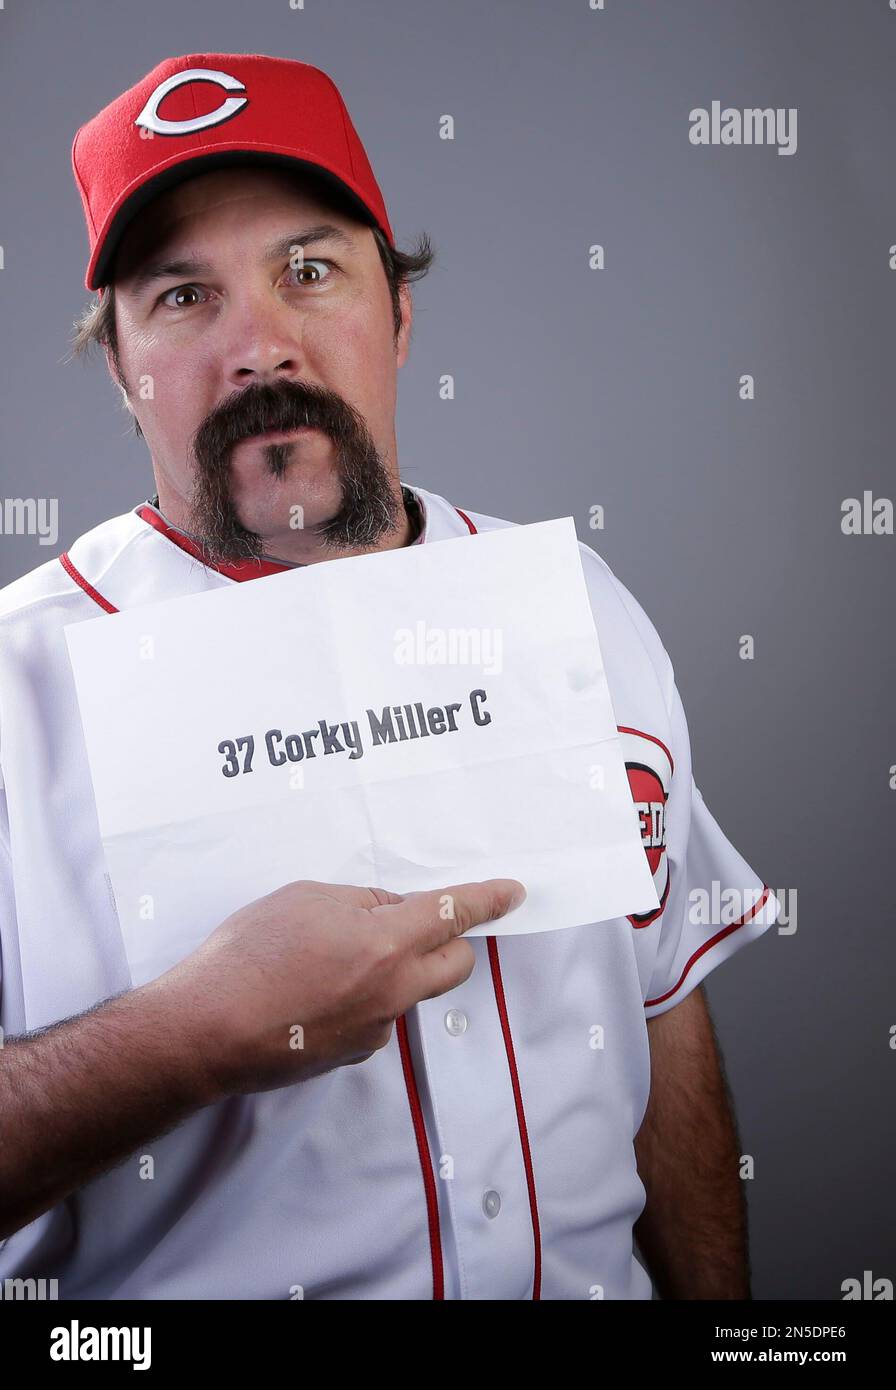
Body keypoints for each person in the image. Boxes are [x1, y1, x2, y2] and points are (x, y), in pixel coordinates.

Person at [0, 52, 779, 1300]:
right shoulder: (14, 693)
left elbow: (656, 1004)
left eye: (309, 272)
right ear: (122, 368)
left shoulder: (576, 607)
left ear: (399, 316)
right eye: (184, 297)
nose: (260, 345)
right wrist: (189, 1035)